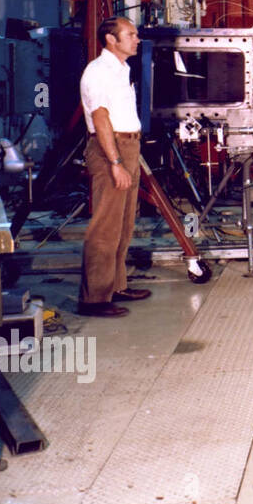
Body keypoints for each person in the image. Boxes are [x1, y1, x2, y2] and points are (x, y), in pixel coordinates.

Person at [76, 16, 150, 317]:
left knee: (123, 223)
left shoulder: (121, 69)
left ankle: (115, 285)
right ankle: (94, 299)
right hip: (111, 149)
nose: (137, 39)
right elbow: (101, 119)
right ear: (111, 39)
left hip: (128, 146)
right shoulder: (98, 72)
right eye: (130, 34)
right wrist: (116, 162)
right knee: (105, 226)